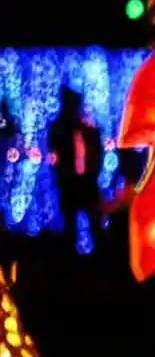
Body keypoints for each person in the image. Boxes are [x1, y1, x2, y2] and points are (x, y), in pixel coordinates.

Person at [48, 86, 104, 250]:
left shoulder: (87, 130)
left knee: (94, 222)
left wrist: (93, 173)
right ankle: (70, 258)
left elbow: (97, 153)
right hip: (69, 183)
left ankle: (100, 256)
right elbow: (55, 157)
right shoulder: (58, 130)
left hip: (87, 183)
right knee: (69, 225)